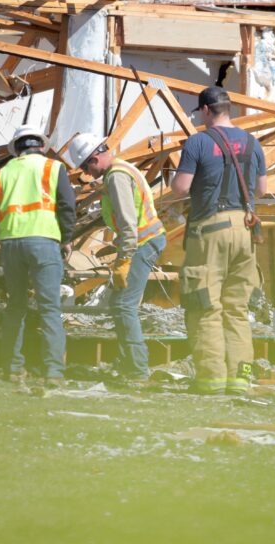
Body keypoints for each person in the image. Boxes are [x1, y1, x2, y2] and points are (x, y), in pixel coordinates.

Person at [170, 86, 266, 395]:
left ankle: (211, 379)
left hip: (210, 230)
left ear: (207, 110)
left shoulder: (198, 142)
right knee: (237, 309)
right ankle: (242, 377)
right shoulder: (253, 143)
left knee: (204, 305)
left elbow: (181, 188)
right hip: (245, 228)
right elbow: (261, 190)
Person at [0, 125, 76, 386]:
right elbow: (66, 206)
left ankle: (12, 368)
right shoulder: (53, 168)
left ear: (16, 148)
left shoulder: (0, 174)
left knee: (16, 306)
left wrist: (3, 238)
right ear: (41, 146)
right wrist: (66, 239)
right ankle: (53, 372)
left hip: (11, 245)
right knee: (50, 308)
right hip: (44, 241)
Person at [67, 132, 167, 384]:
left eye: (86, 166)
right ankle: (130, 362)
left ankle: (136, 368)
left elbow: (128, 223)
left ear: (96, 156)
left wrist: (124, 259)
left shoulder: (116, 177)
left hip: (142, 243)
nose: (87, 173)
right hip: (144, 242)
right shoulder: (120, 170)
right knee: (120, 304)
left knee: (123, 305)